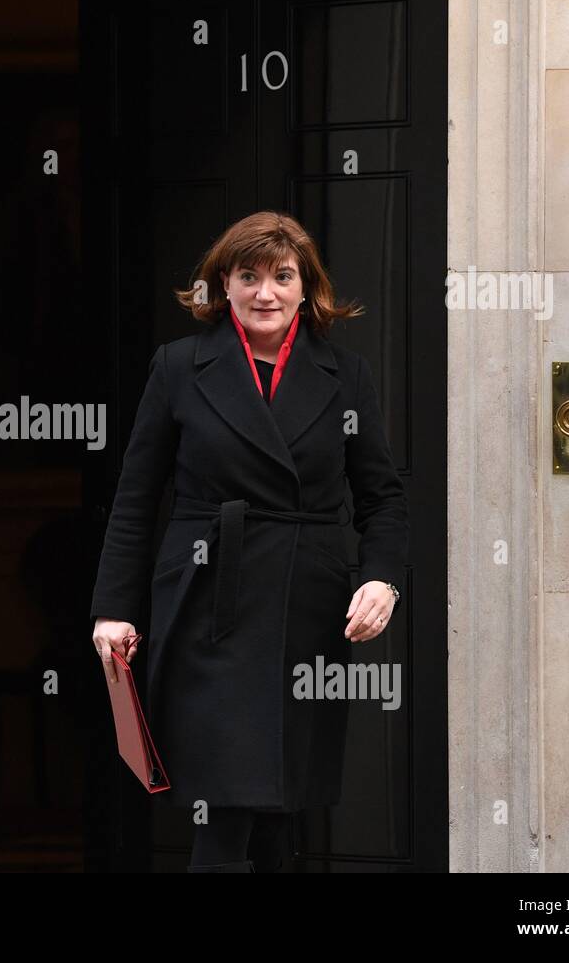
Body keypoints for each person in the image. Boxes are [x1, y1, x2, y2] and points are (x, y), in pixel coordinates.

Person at [89, 211, 410, 872]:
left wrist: (381, 577)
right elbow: (135, 497)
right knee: (228, 794)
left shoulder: (344, 375)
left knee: (273, 801)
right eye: (249, 276)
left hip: (306, 607)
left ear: (306, 288)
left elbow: (382, 497)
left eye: (282, 277)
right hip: (208, 599)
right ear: (222, 286)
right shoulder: (179, 368)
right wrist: (112, 607)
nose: (266, 293)